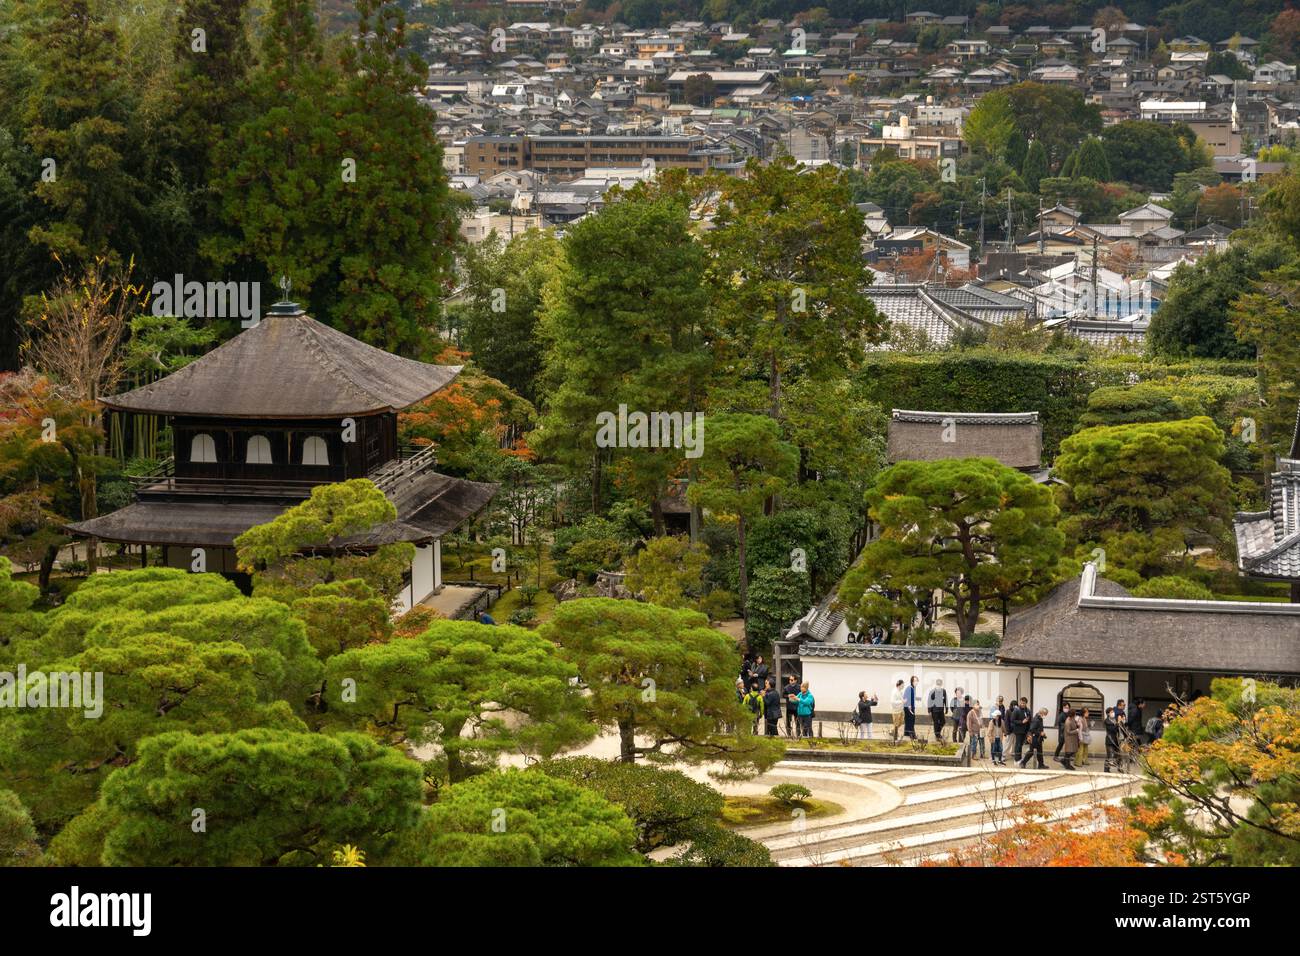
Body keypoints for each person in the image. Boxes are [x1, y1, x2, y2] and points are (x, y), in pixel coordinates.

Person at [1058, 704, 1080, 770]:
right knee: (1069, 752)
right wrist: (1076, 730)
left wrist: (1077, 723)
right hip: (1069, 738)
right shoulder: (1068, 721)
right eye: (1075, 714)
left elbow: (1074, 724)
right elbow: (1068, 731)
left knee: (1073, 751)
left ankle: (1064, 761)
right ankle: (1067, 765)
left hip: (1073, 738)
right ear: (1072, 715)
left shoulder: (1072, 719)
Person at [1011, 697, 1031, 762]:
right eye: (1022, 703)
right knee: (1018, 745)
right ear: (1020, 702)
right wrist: (1021, 722)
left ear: (1026, 703)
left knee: (1021, 745)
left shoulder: (1028, 710)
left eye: (1024, 703)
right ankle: (1016, 759)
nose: (1023, 704)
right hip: (1018, 730)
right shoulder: (1016, 710)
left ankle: (1019, 758)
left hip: (1025, 730)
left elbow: (1029, 719)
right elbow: (1012, 720)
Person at [1103, 707, 1121, 773]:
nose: (1113, 713)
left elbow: (1118, 729)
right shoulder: (1106, 721)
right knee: (1109, 755)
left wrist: (1120, 722)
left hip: (1116, 740)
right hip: (1109, 740)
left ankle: (1120, 768)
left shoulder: (1115, 720)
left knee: (1118, 755)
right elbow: (1112, 729)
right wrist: (1118, 723)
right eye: (1111, 712)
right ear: (1108, 714)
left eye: (1113, 711)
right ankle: (1106, 769)